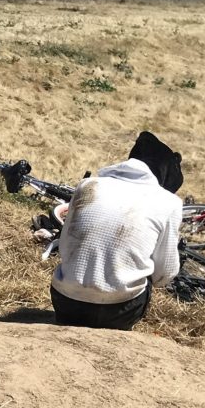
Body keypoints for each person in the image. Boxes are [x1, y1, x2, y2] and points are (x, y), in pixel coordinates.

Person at [49, 131, 184, 330]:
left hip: (66, 302)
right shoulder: (169, 202)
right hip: (121, 310)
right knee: (147, 269)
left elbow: (65, 247)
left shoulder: (87, 184)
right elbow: (165, 274)